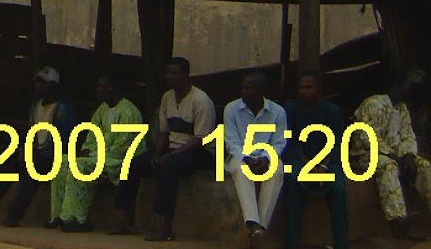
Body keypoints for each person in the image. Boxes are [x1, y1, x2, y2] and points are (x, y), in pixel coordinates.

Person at [0, 65, 78, 228]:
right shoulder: (36, 106)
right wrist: (25, 150)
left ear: (54, 87)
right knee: (2, 168)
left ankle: (13, 215)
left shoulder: (63, 109)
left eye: (44, 83)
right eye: (38, 83)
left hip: (53, 156)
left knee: (33, 173)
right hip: (35, 152)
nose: (39, 87)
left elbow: (65, 141)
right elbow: (32, 133)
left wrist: (39, 153)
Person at [51, 73, 145, 232]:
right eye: (98, 87)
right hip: (101, 155)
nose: (99, 90)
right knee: (62, 161)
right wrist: (88, 150)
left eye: (103, 86)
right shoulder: (101, 110)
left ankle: (79, 219)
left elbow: (122, 146)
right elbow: (91, 137)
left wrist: (95, 154)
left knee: (78, 166)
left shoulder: (129, 111)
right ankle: (60, 215)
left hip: (121, 159)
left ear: (114, 88)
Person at [144, 56, 217, 241]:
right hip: (174, 148)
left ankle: (165, 228)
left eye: (174, 73)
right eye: (167, 73)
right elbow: (163, 132)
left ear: (185, 75)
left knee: (169, 168)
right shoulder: (167, 98)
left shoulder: (201, 100)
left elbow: (200, 139)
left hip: (202, 152)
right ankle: (125, 220)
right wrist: (157, 153)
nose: (169, 77)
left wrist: (171, 155)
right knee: (135, 163)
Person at [354, 69, 431, 238]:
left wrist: (409, 155)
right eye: (411, 87)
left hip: (396, 156)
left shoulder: (402, 109)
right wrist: (394, 156)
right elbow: (367, 137)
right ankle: (397, 221)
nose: (413, 91)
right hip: (367, 155)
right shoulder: (374, 103)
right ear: (400, 85)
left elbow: (407, 136)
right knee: (388, 165)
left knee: (423, 165)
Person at [283, 69, 348, 249]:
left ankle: (341, 242)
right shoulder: (291, 109)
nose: (304, 91)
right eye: (301, 87)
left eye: (309, 87)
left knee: (338, 187)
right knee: (292, 180)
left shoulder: (332, 111)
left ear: (318, 89)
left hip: (328, 162)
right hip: (301, 159)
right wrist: (309, 165)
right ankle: (292, 240)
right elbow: (291, 141)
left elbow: (337, 143)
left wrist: (324, 167)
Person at [222, 72, 287, 241]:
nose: (243, 91)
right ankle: (252, 222)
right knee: (242, 172)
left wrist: (266, 158)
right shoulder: (232, 109)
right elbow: (231, 142)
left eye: (248, 88)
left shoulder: (277, 112)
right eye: (243, 87)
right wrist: (247, 158)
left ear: (260, 91)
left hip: (267, 157)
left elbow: (279, 142)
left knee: (277, 171)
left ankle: (261, 226)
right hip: (241, 157)